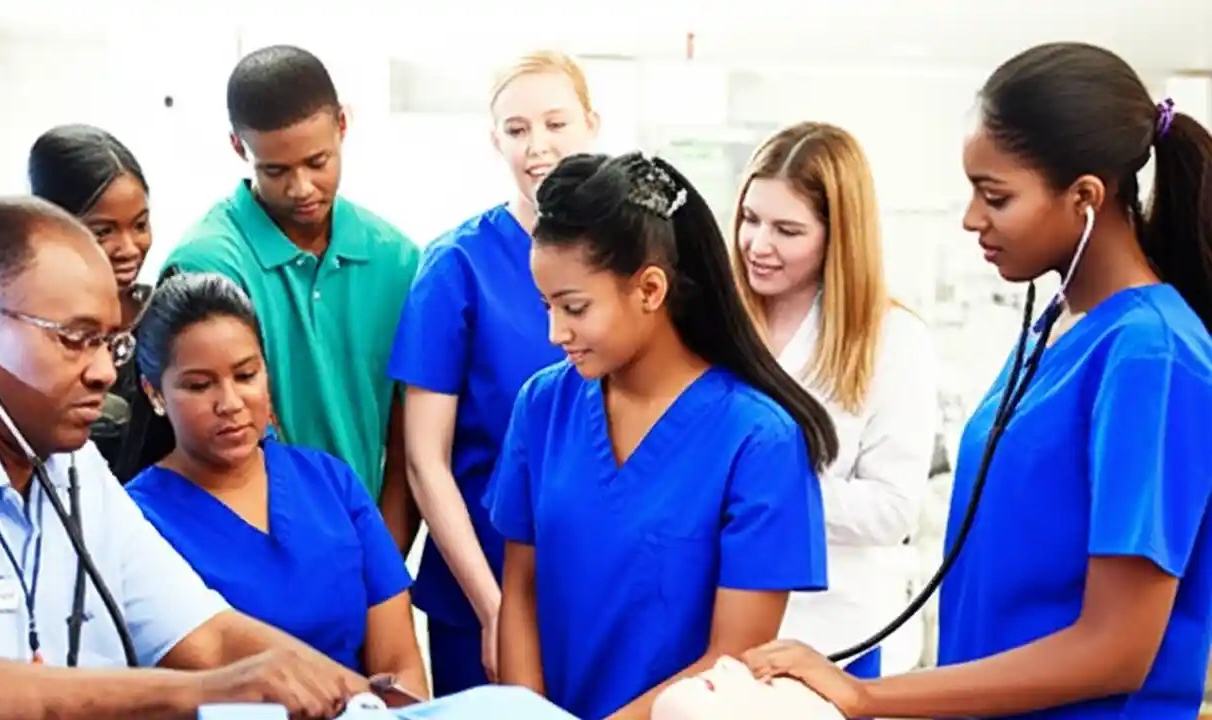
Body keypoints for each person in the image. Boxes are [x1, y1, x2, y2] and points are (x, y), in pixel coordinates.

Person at [743, 42, 1212, 720]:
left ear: (1084, 198)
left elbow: (1116, 649)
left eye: (996, 197)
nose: (971, 219)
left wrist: (868, 695)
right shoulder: (1058, 329)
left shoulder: (1151, 355)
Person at [0, 197, 384, 719]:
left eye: (110, 344)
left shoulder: (74, 469)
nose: (104, 372)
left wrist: (371, 707)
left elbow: (208, 637)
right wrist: (196, 692)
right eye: (76, 339)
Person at [486, 152, 839, 720]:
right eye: (547, 306)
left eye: (574, 307)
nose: (555, 332)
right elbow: (520, 592)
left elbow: (732, 661)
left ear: (650, 289)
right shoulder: (543, 406)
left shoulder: (758, 440)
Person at [387, 50, 600, 695]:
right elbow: (425, 460)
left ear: (591, 124)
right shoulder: (457, 265)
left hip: (599, 590)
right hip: (481, 586)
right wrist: (494, 609)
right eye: (517, 129)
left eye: (556, 124)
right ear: (495, 140)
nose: (538, 146)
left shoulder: (631, 261)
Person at [158, 44, 421, 552]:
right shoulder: (207, 264)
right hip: (249, 552)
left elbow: (407, 437)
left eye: (317, 162)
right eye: (275, 171)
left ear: (342, 125)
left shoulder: (398, 260)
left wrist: (383, 567)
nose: (302, 188)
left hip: (367, 548)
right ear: (238, 147)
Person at [122, 272, 428, 699]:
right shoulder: (132, 522)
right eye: (199, 385)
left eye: (246, 375)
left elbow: (401, 665)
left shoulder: (329, 482)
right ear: (154, 393)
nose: (230, 403)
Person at [731, 122, 938, 679]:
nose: (758, 245)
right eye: (750, 219)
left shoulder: (893, 340)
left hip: (832, 638)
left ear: (837, 236)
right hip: (719, 625)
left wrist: (764, 492)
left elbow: (893, 509)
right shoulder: (717, 321)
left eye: (787, 230)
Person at [28, 124, 154, 476]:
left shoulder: (164, 316)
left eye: (140, 225)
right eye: (103, 232)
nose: (129, 248)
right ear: (50, 226)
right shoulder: (27, 332)